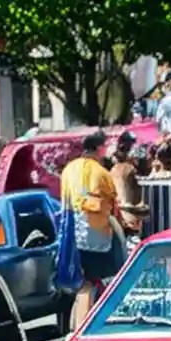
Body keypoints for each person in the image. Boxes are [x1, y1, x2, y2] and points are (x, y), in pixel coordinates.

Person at [59, 132, 123, 328]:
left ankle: (74, 325)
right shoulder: (101, 173)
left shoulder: (68, 169)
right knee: (90, 283)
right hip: (96, 237)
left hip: (71, 233)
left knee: (82, 283)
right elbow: (112, 204)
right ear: (99, 148)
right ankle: (82, 327)